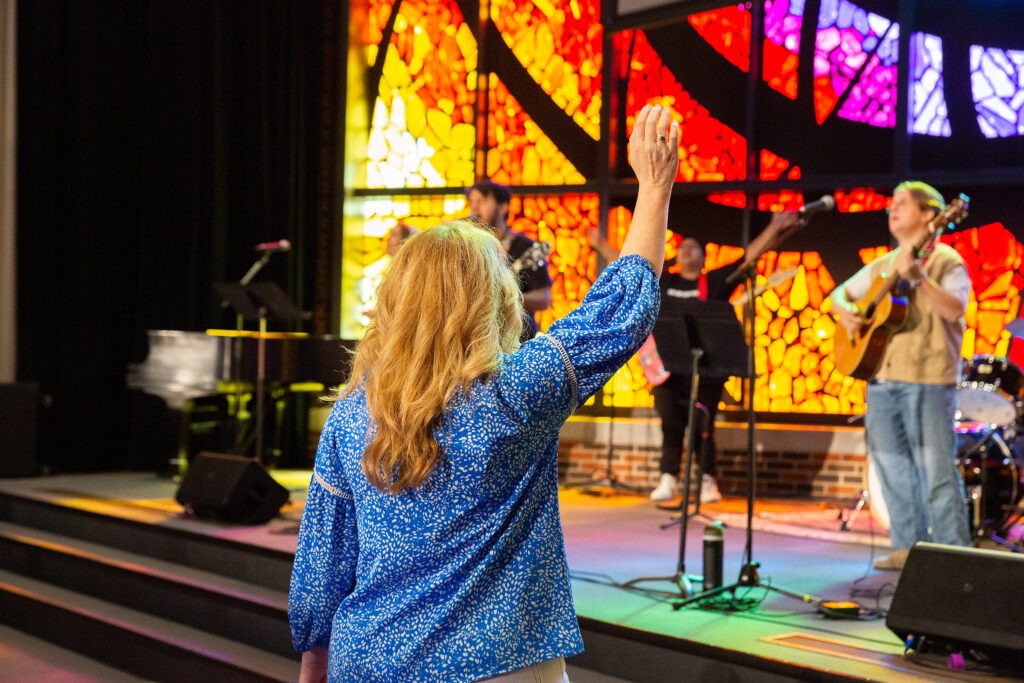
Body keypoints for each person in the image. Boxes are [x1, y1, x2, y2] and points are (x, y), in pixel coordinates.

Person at [289, 104, 680, 683]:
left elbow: (321, 570)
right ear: (492, 301)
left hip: (368, 660)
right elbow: (622, 306)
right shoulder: (516, 393)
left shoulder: (350, 416)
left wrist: (313, 665)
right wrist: (654, 187)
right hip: (500, 664)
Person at [590, 216, 801, 505]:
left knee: (703, 426)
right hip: (668, 368)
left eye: (693, 247)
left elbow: (747, 258)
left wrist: (775, 228)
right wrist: (601, 245)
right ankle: (668, 477)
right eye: (682, 247)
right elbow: (630, 266)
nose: (686, 251)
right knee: (671, 424)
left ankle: (706, 479)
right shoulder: (665, 281)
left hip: (706, 369)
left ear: (703, 256)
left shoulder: (713, 282)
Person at [831, 181, 971, 571]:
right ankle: (908, 548)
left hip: (927, 379)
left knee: (936, 471)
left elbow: (954, 309)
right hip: (882, 380)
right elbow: (838, 295)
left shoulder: (947, 261)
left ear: (930, 215)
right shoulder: (885, 263)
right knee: (892, 467)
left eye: (903, 204)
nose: (892, 210)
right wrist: (847, 313)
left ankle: (954, 556)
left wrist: (920, 279)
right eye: (892, 203)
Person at [467, 179, 553, 340]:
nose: (474, 207)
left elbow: (544, 299)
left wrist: (505, 297)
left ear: (503, 207)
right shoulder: (469, 247)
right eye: (472, 201)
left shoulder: (525, 247)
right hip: (477, 339)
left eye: (482, 201)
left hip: (516, 340)